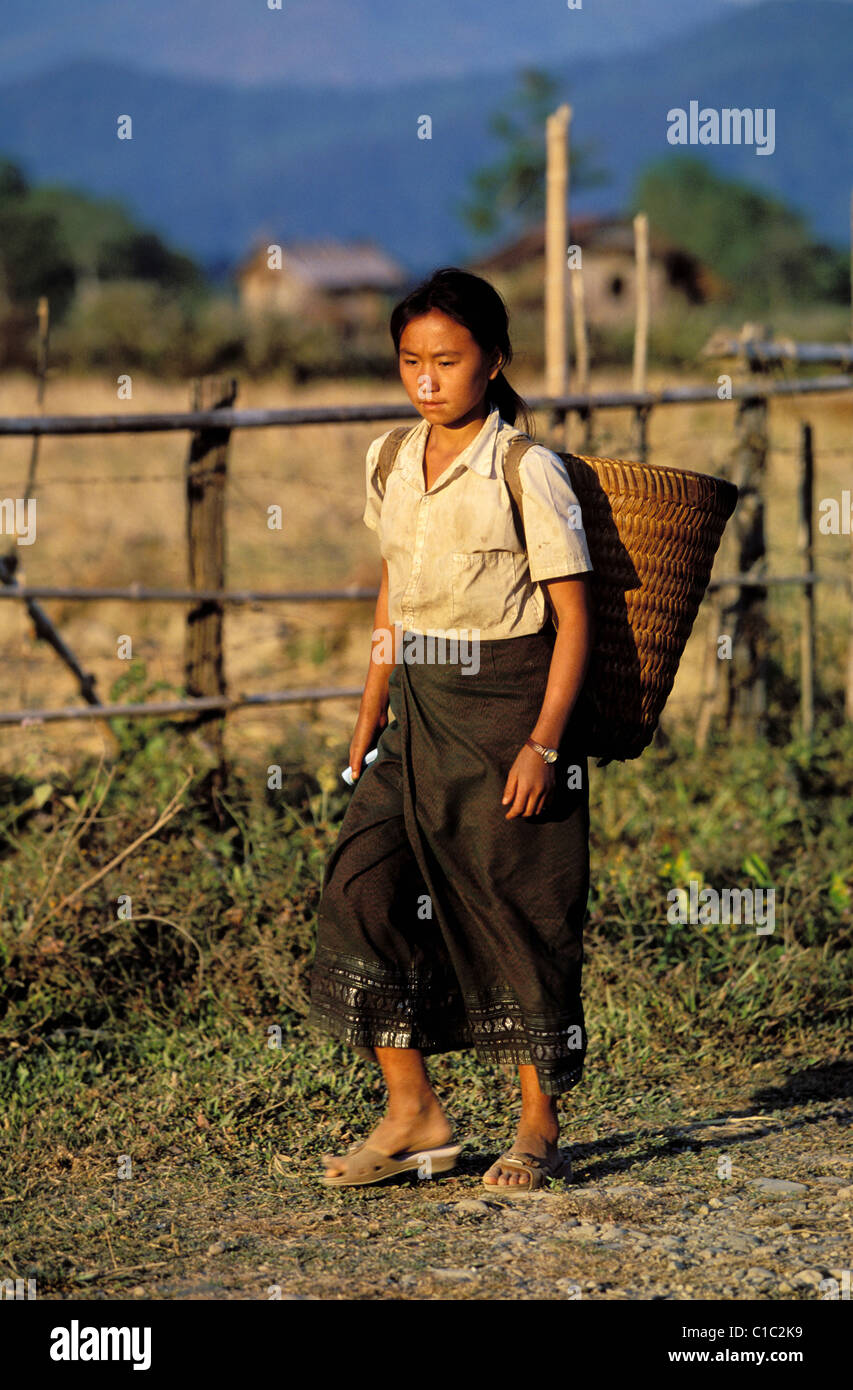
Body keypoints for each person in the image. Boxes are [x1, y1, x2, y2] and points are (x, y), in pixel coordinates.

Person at [307, 266, 594, 1192]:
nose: (426, 379)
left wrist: (544, 745)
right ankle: (413, 1113)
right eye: (410, 361)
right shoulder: (389, 458)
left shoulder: (526, 469)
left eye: (447, 360)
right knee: (361, 884)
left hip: (508, 709)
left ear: (494, 361)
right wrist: (368, 707)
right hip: (416, 709)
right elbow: (393, 584)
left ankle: (538, 1124)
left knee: (509, 908)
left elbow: (574, 619)